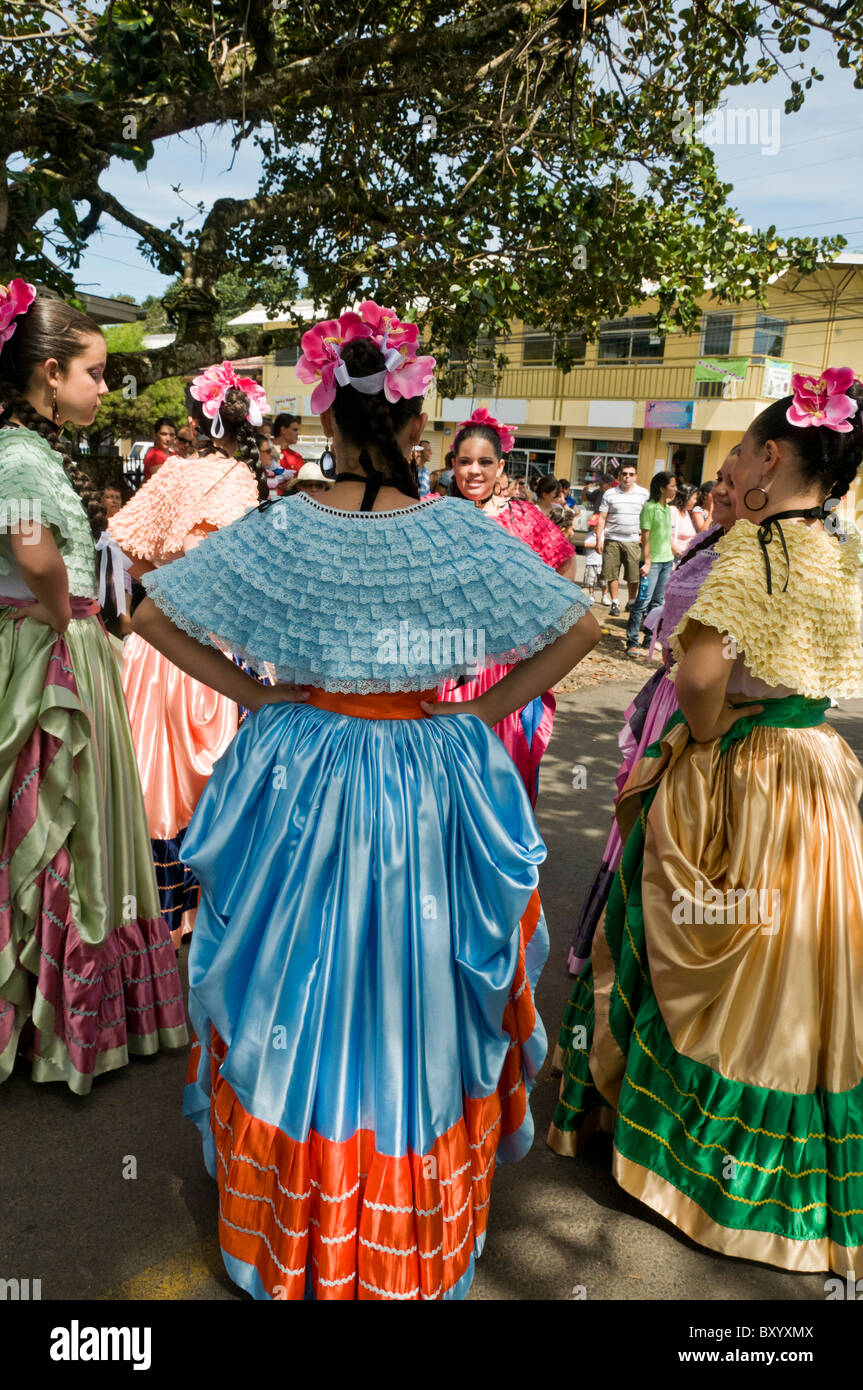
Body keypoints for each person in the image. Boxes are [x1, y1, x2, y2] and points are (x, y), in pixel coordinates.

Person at [131, 300, 601, 1301]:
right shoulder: (454, 537)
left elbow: (148, 610)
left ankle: (294, 1221)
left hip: (304, 763)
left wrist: (261, 698)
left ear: (330, 423)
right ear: (415, 424)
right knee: (414, 988)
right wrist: (475, 719)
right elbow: (582, 621)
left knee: (299, 980)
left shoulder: (285, 526)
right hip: (426, 770)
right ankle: (402, 1235)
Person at [551, 369, 863, 1280]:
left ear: (771, 456)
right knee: (799, 973)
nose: (726, 468)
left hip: (751, 766)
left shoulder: (754, 549)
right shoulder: (842, 555)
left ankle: (685, 1168)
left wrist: (708, 736)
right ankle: (786, 1193)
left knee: (694, 954)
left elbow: (697, 675)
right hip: (820, 776)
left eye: (735, 451)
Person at [0, 280, 187, 1091]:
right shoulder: (14, 450)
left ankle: (60, 1014)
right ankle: (52, 1027)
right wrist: (64, 614)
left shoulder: (26, 447)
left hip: (55, 639)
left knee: (62, 820)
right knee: (57, 821)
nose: (106, 389)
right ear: (49, 373)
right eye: (97, 373)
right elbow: (32, 547)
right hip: (48, 649)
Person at [109, 362, 268, 947]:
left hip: (158, 645)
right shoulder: (246, 482)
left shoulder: (173, 473)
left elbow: (125, 544)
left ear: (199, 419)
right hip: (212, 647)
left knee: (157, 776)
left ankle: (155, 909)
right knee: (214, 772)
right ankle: (200, 910)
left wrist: (165, 585)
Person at [567, 454, 737, 976]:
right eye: (720, 481)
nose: (720, 491)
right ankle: (613, 947)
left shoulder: (761, 553)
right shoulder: (711, 540)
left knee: (682, 832)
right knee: (640, 817)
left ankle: (658, 962)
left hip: (705, 711)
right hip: (668, 695)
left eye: (733, 479)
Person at [443, 409, 578, 805]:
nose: (474, 471)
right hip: (446, 663)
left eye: (485, 462)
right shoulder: (433, 512)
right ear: (452, 464)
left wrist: (542, 626)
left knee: (497, 770)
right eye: (465, 461)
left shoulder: (522, 516)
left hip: (504, 669)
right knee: (446, 771)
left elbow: (565, 562)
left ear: (501, 466)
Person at [625, 471, 677, 656]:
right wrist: (646, 562)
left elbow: (665, 536)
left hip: (666, 561)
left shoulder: (668, 509)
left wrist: (677, 551)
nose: (675, 489)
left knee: (658, 603)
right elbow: (645, 538)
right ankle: (632, 640)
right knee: (642, 602)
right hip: (652, 563)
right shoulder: (650, 508)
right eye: (672, 485)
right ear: (662, 488)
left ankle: (649, 638)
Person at [596, 464, 649, 616]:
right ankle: (615, 602)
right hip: (612, 539)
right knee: (611, 573)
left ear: (636, 477)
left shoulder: (643, 494)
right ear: (619, 476)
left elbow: (648, 518)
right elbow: (602, 518)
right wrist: (599, 539)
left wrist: (643, 536)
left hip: (633, 540)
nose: (627, 477)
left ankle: (631, 602)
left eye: (631, 474)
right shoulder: (610, 494)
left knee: (633, 575)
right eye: (624, 474)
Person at [670, 481, 698, 557]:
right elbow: (666, 535)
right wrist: (677, 551)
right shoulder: (673, 511)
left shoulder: (686, 512)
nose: (696, 501)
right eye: (694, 498)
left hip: (686, 556)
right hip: (676, 557)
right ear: (687, 497)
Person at [273, 412, 304, 479]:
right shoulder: (263, 452)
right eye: (295, 430)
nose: (298, 433)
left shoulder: (297, 457)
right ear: (283, 430)